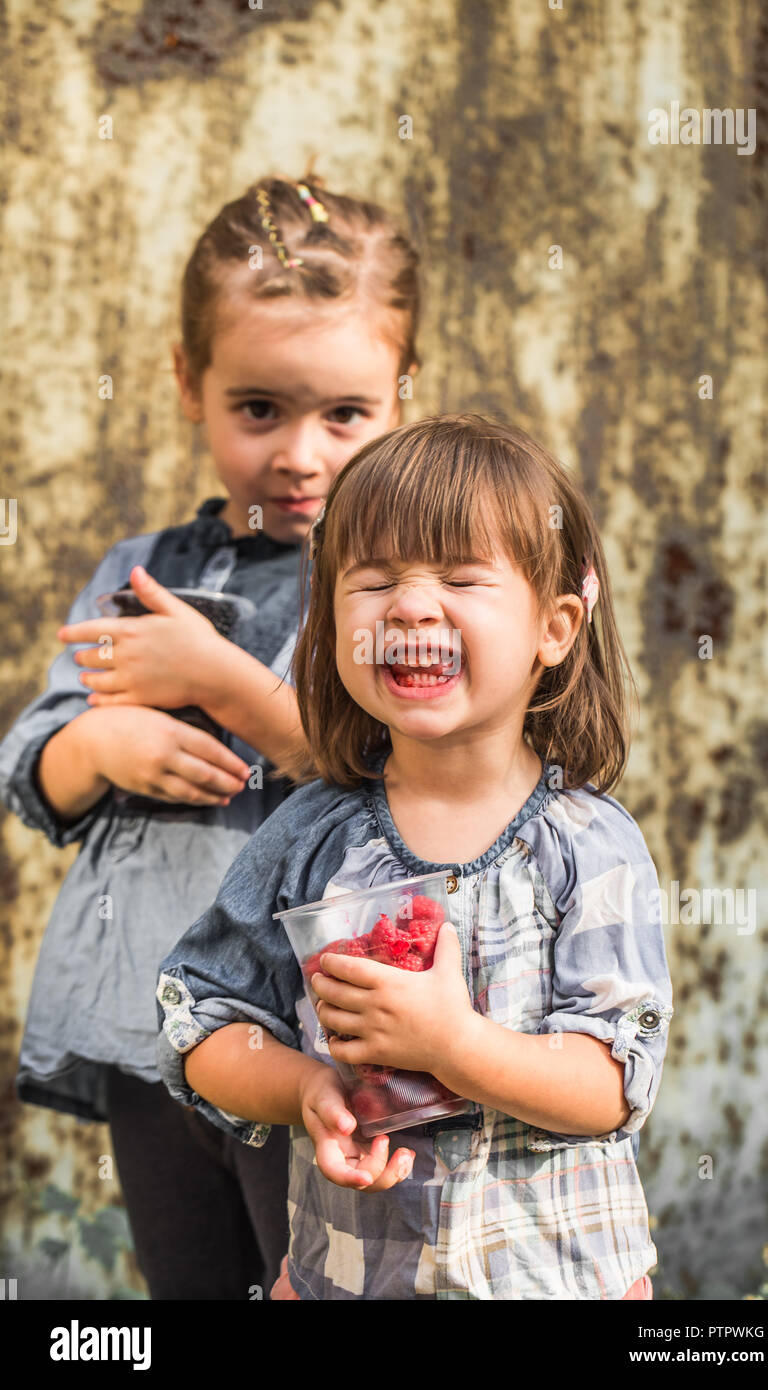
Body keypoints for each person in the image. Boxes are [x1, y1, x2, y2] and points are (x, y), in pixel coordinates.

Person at [0, 171, 421, 1299]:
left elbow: (400, 780)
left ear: (402, 397)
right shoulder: (145, 574)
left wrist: (225, 684)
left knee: (319, 1282)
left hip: (302, 1042)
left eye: (345, 414)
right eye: (259, 410)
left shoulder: (398, 589)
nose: (300, 454)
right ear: (191, 384)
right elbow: (31, 762)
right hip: (148, 1023)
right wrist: (100, 751)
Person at [155, 412, 674, 1301]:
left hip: (556, 1279)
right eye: (377, 579)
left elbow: (614, 1081)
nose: (412, 603)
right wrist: (306, 1087)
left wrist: (453, 1044)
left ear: (554, 628)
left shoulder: (590, 845)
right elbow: (200, 1018)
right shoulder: (313, 836)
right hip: (351, 1277)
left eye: (462, 576)